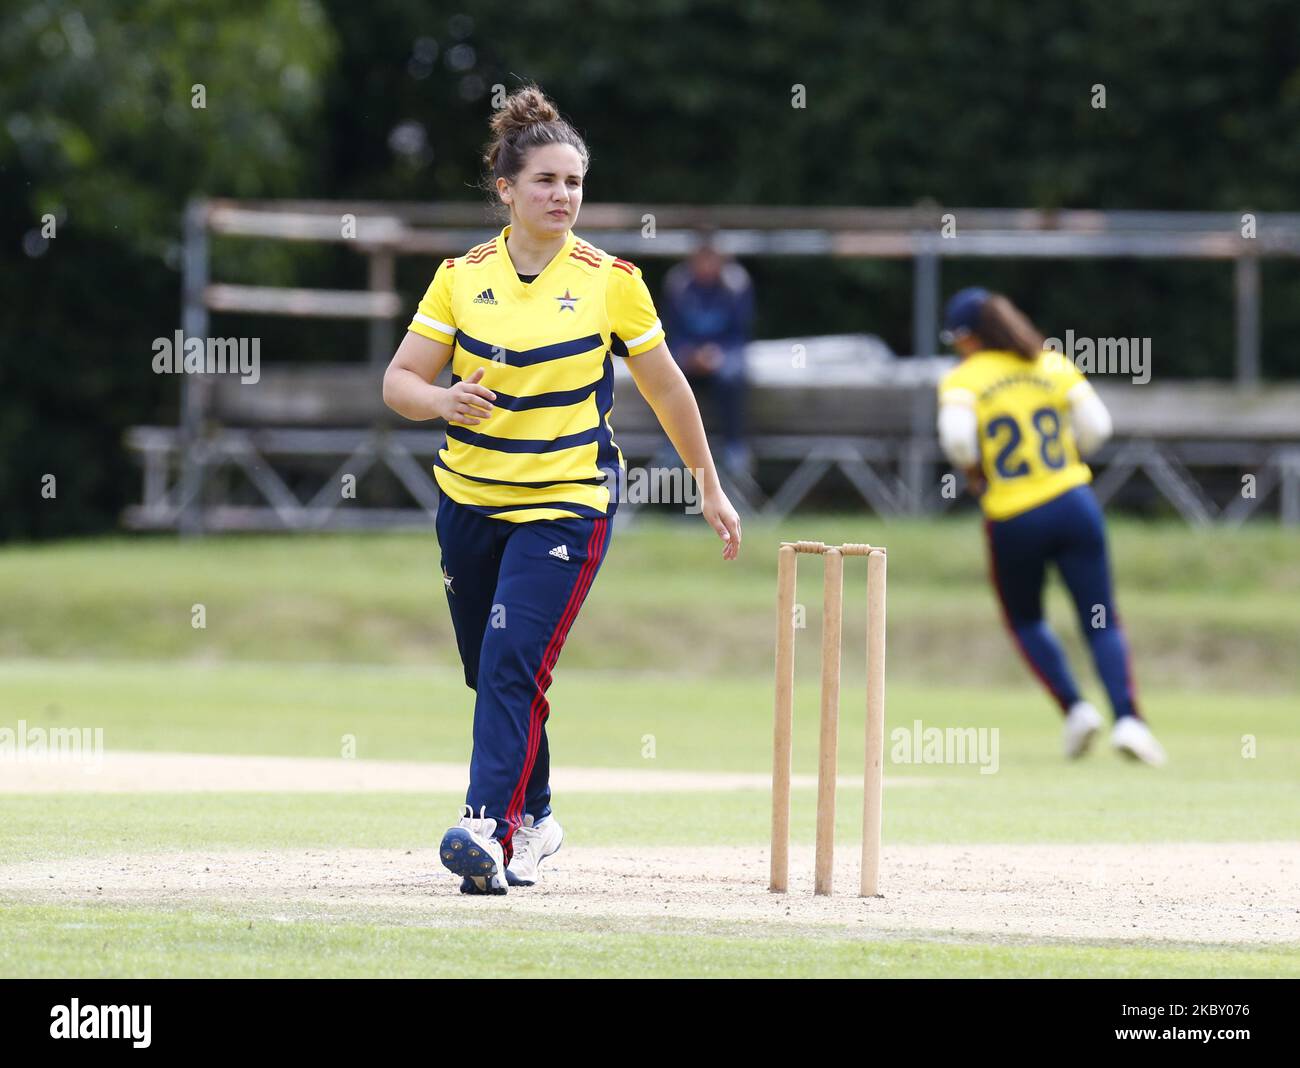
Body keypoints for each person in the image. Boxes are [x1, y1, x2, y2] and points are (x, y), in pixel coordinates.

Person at [382, 86, 742, 895]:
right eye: (545, 181)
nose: (563, 196)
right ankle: (539, 819)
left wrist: (708, 488)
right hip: (468, 500)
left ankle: (487, 829)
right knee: (492, 669)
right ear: (506, 189)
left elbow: (668, 388)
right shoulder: (460, 277)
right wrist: (443, 400)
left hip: (567, 503)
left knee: (513, 657)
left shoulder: (611, 280)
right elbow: (399, 381)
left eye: (574, 182)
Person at [935, 287, 1166, 766]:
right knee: (1100, 617)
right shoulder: (1052, 364)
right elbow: (1097, 426)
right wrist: (1064, 462)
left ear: (969, 338)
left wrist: (977, 475)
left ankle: (1075, 707)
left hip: (1013, 515)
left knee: (1025, 619)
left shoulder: (965, 378)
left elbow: (958, 443)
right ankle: (1129, 719)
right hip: (1073, 502)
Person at [662, 232, 755, 474]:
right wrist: (691, 354)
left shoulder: (736, 285)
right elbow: (670, 331)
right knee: (668, 376)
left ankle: (734, 446)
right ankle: (673, 444)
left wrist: (717, 354)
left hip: (725, 353)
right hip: (687, 353)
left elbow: (740, 333)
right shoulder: (679, 284)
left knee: (731, 376)